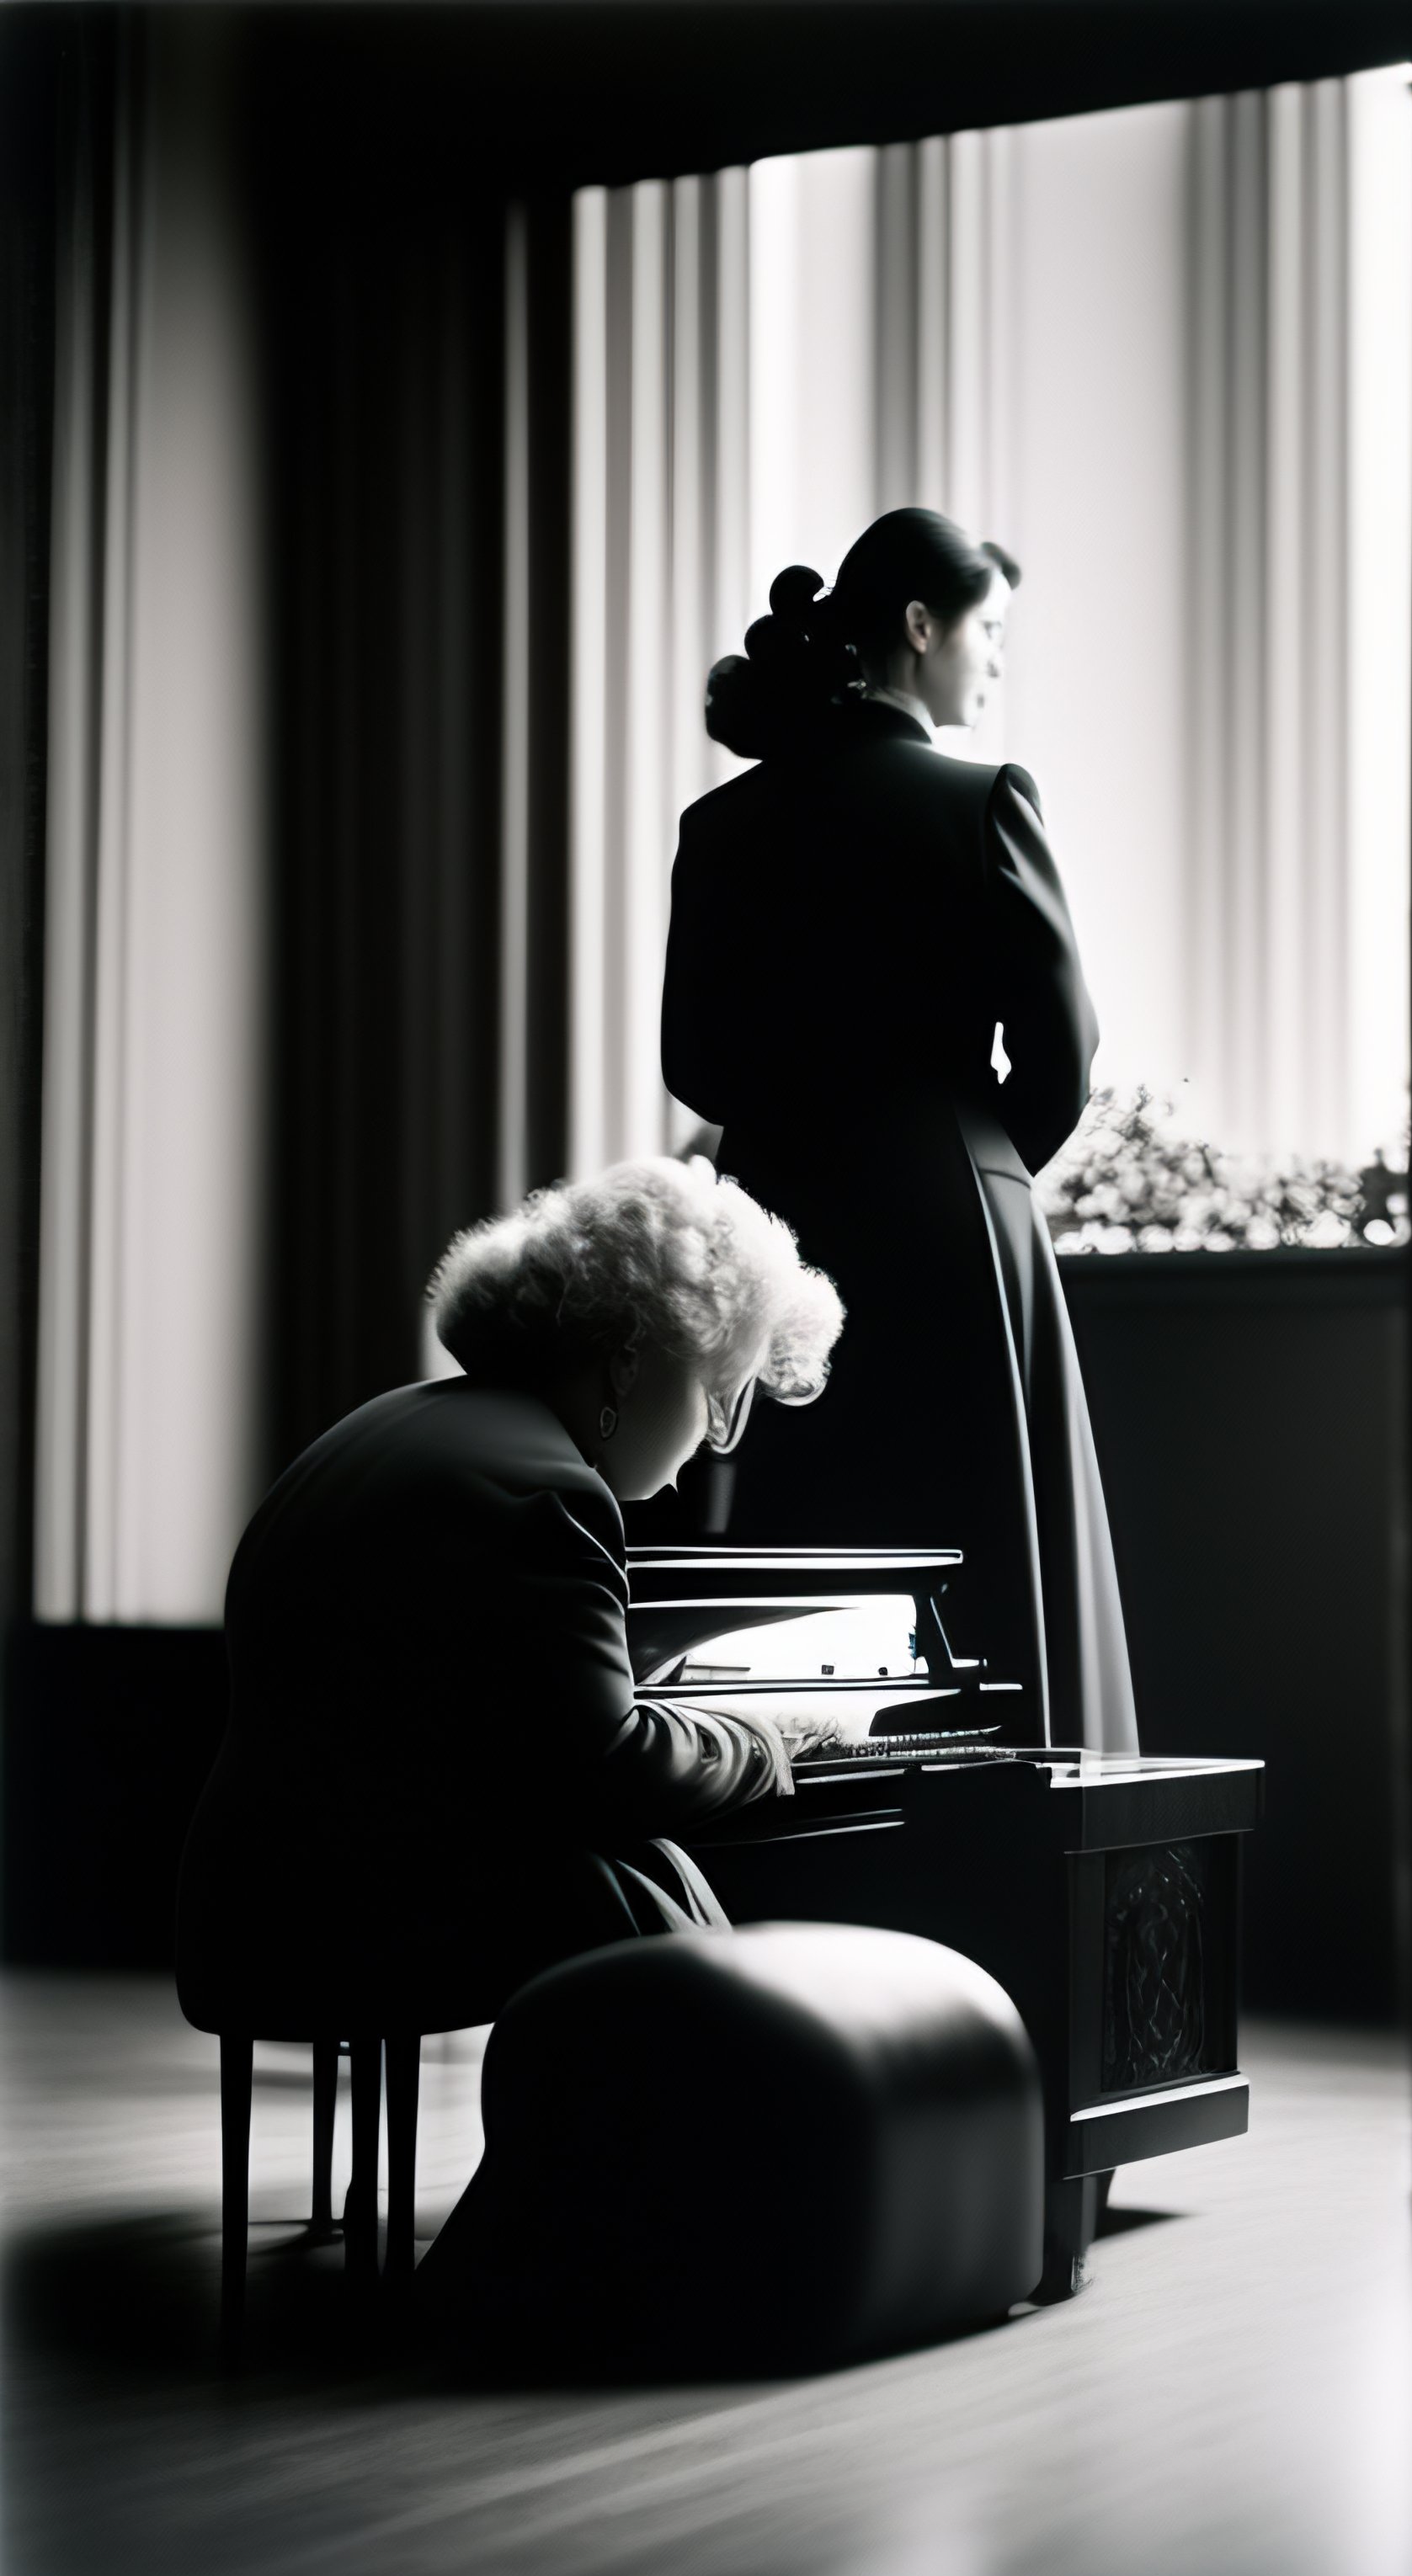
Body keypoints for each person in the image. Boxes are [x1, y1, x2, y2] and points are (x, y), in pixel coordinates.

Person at [175, 1158, 846, 2041]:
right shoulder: (550, 1487)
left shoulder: (394, 1426)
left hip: (250, 1889)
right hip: (354, 1916)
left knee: (636, 1877)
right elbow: (613, 1769)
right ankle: (660, 2159)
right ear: (626, 1366)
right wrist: (774, 1734)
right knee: (642, 1900)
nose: (710, 1442)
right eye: (716, 1392)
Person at [661, 507, 1138, 1753]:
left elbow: (694, 1064)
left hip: (777, 1222)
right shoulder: (981, 799)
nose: (995, 660)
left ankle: (811, 1816)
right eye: (989, 630)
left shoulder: (723, 828)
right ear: (921, 628)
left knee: (802, 1533)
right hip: (951, 1226)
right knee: (983, 1541)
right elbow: (1061, 1056)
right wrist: (970, 1168)